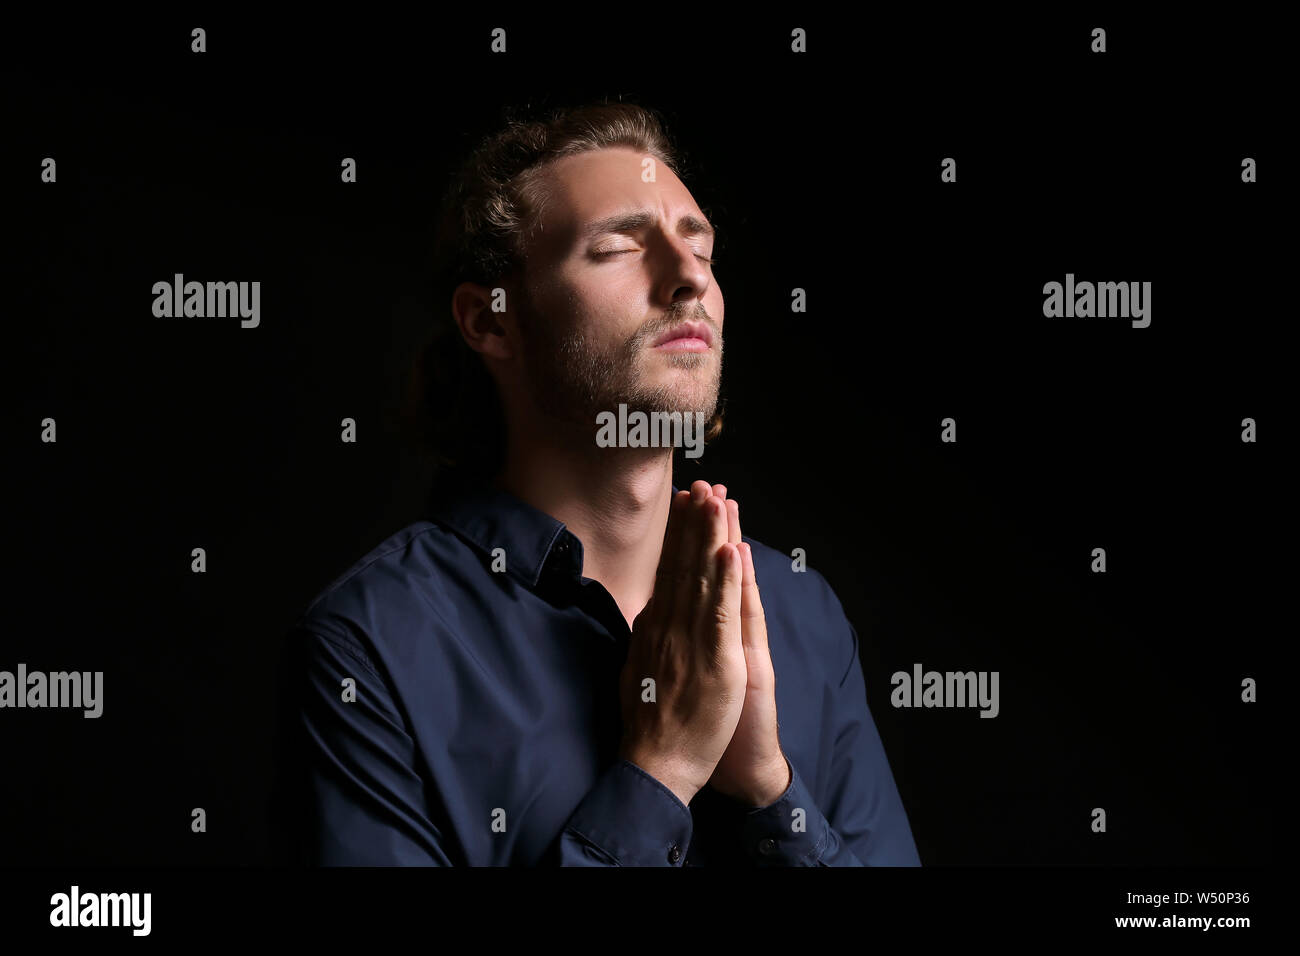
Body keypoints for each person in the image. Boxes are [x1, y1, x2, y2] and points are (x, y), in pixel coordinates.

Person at [282, 101, 920, 866]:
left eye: (701, 248)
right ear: (492, 322)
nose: (687, 277)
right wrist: (660, 773)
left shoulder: (802, 611)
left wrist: (771, 794)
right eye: (618, 246)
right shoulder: (368, 647)